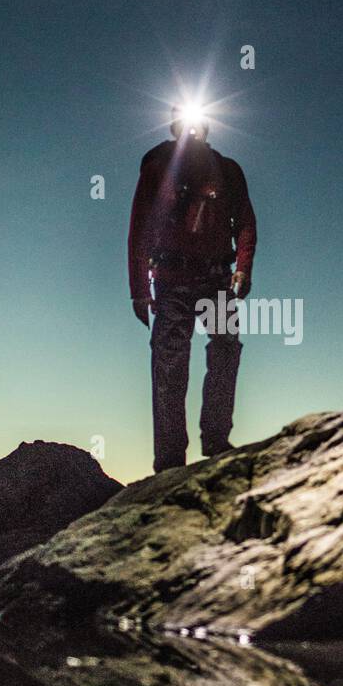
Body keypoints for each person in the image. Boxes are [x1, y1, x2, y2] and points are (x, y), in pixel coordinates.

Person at [128, 105, 257, 472]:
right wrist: (139, 287)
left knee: (226, 348)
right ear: (174, 127)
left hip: (216, 278)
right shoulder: (156, 168)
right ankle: (170, 460)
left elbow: (245, 221)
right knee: (169, 362)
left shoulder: (229, 172)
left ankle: (215, 438)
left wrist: (242, 269)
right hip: (171, 280)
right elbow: (140, 226)